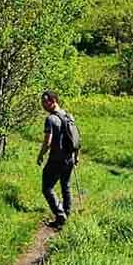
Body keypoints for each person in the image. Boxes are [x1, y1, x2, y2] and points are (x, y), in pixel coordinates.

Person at [36, 90, 79, 229]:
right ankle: (67, 213)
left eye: (45, 101)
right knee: (65, 185)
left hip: (56, 159)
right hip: (69, 158)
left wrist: (41, 155)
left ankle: (60, 215)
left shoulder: (50, 119)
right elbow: (76, 138)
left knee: (47, 187)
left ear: (53, 101)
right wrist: (76, 156)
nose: (43, 105)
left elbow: (47, 142)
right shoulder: (68, 116)